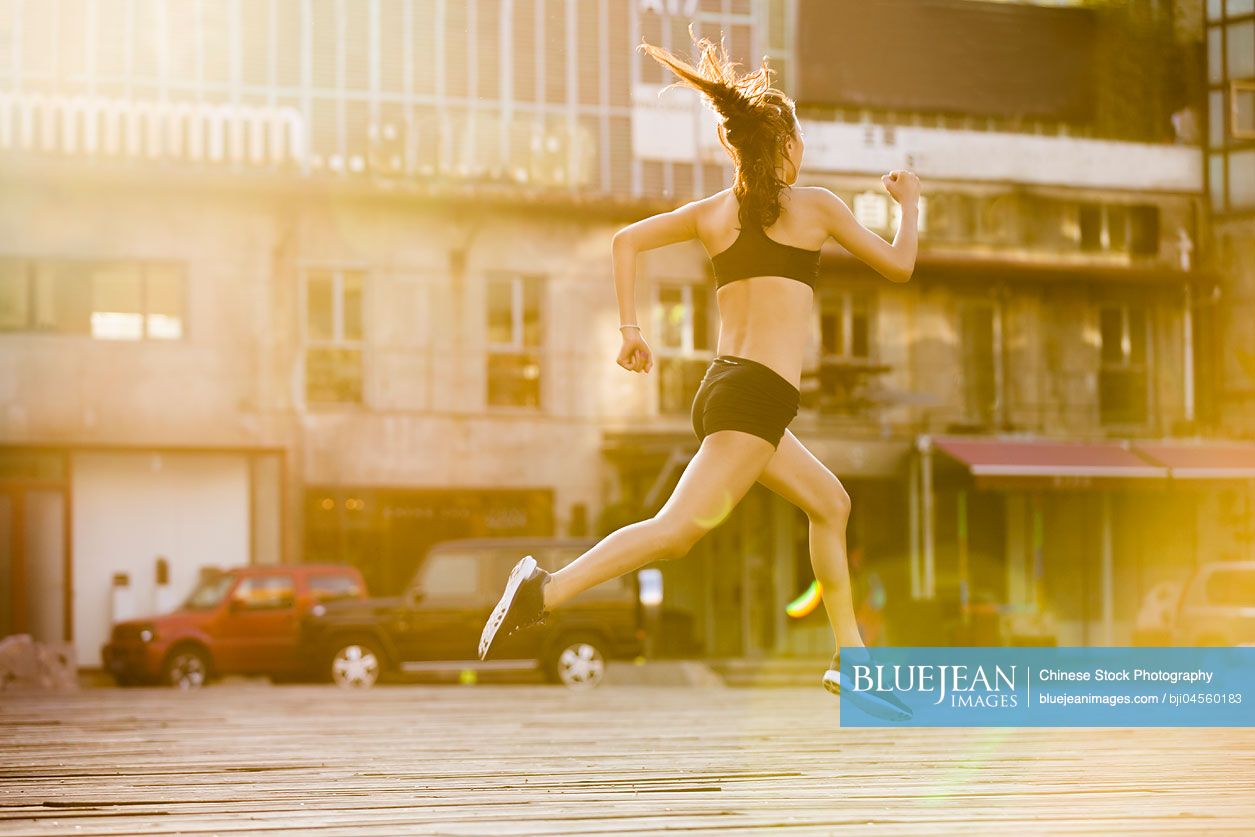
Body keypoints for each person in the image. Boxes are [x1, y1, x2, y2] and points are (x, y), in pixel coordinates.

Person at [479, 28, 918, 719]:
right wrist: (908, 205)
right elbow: (899, 264)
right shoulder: (817, 209)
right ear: (787, 147)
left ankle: (852, 660)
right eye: (799, 142)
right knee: (678, 529)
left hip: (733, 390)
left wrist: (631, 332)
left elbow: (626, 241)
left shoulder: (714, 213)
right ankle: (545, 587)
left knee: (830, 504)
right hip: (751, 397)